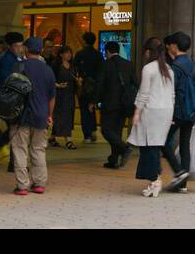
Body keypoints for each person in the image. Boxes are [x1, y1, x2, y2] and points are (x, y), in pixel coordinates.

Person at [129, 36, 176, 197]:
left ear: (148, 52)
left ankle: (155, 180)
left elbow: (143, 94)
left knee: (148, 147)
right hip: (166, 111)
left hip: (151, 112)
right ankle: (154, 180)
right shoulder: (169, 70)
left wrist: (137, 112)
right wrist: (171, 114)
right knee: (156, 146)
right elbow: (172, 95)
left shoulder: (148, 69)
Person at [11, 37, 56, 195]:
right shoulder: (48, 70)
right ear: (41, 50)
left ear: (26, 49)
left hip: (21, 116)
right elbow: (52, 96)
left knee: (20, 149)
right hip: (41, 115)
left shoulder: (19, 67)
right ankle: (39, 184)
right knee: (38, 149)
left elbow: (10, 92)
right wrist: (49, 115)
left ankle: (23, 185)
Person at [164, 32, 195, 193]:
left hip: (177, 111)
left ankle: (180, 172)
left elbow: (172, 92)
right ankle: (183, 185)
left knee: (163, 142)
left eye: (170, 44)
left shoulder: (175, 66)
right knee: (185, 145)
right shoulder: (194, 65)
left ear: (175, 46)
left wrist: (170, 114)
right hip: (192, 111)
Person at [96, 40, 134, 169]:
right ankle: (113, 160)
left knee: (106, 130)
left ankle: (124, 148)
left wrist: (94, 101)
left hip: (109, 103)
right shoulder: (128, 65)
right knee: (116, 132)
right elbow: (135, 83)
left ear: (107, 51)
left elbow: (99, 85)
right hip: (124, 104)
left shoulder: (105, 65)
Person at [0, 32, 25, 170]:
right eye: (17, 46)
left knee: (14, 129)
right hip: (8, 100)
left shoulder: (16, 58)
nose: (20, 48)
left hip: (12, 99)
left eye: (21, 45)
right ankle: (12, 162)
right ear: (10, 46)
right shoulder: (7, 60)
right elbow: (8, 80)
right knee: (15, 129)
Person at [74, 32, 103, 144]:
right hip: (95, 86)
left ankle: (87, 134)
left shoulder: (80, 54)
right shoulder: (98, 54)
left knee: (84, 110)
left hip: (84, 85)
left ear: (84, 41)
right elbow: (101, 71)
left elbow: (75, 68)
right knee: (91, 108)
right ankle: (94, 130)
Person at [50, 45, 78, 149]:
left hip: (70, 94)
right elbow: (50, 80)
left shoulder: (73, 66)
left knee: (68, 116)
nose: (69, 55)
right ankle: (68, 140)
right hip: (59, 94)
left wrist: (78, 82)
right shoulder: (55, 65)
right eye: (66, 53)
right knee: (60, 116)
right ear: (61, 54)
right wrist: (58, 85)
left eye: (70, 52)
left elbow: (75, 79)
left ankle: (52, 137)